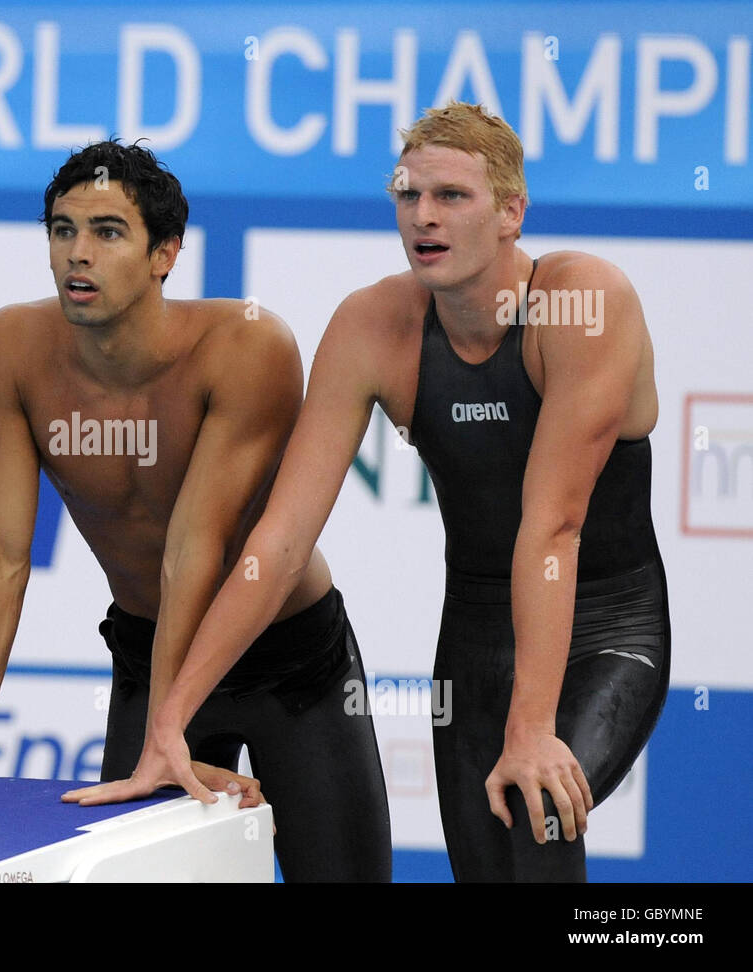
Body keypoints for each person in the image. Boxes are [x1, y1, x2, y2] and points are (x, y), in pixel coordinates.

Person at [99, 102, 670, 882]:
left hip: (605, 618)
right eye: (408, 195)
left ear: (511, 213)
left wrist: (532, 727)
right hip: (476, 626)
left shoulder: (582, 302)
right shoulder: (374, 325)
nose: (422, 218)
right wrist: (172, 718)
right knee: (485, 865)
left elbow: (554, 528)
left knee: (534, 814)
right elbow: (281, 540)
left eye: (451, 197)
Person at [0, 140, 392, 882]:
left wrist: (169, 726)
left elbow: (196, 543)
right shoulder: (16, 346)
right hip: (148, 653)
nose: (77, 254)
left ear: (165, 254)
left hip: (292, 664)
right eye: (62, 230)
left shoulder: (244, 344)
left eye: (108, 232)